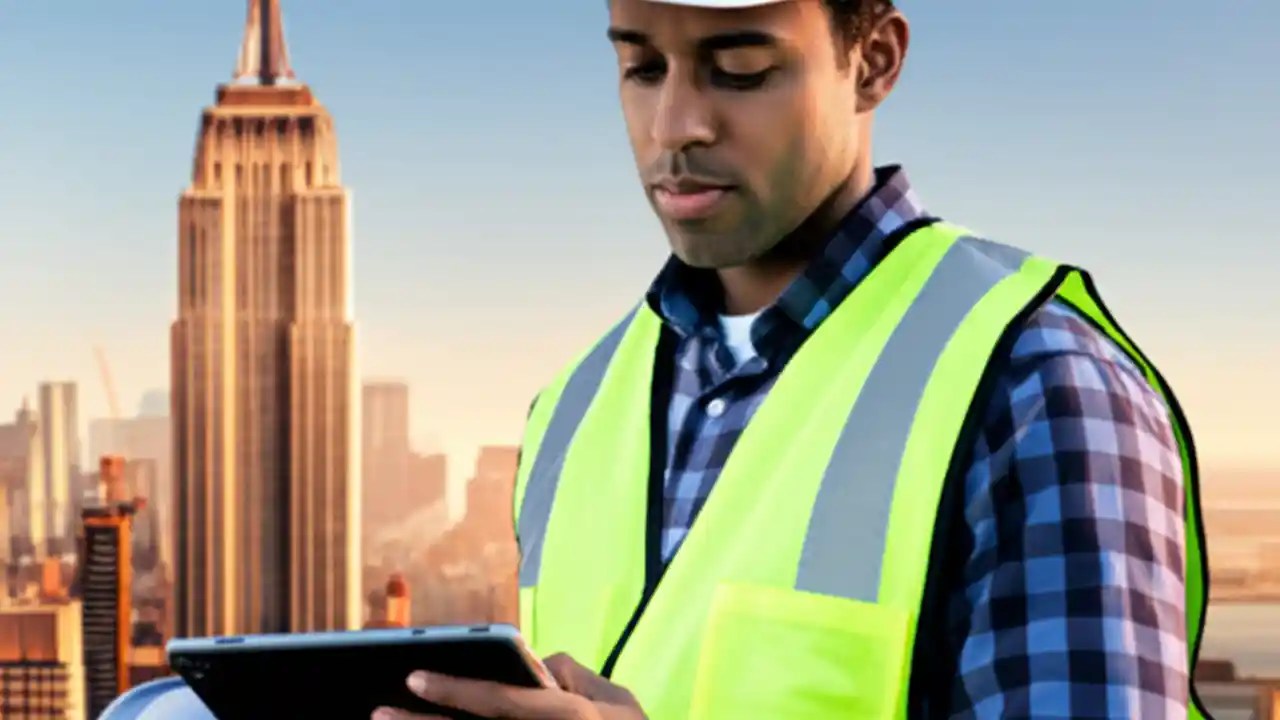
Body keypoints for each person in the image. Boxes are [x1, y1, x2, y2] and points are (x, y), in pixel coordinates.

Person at [378, 0, 1212, 718]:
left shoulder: (1034, 386)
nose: (675, 126)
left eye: (739, 69)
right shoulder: (572, 409)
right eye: (640, 66)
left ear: (873, 62)